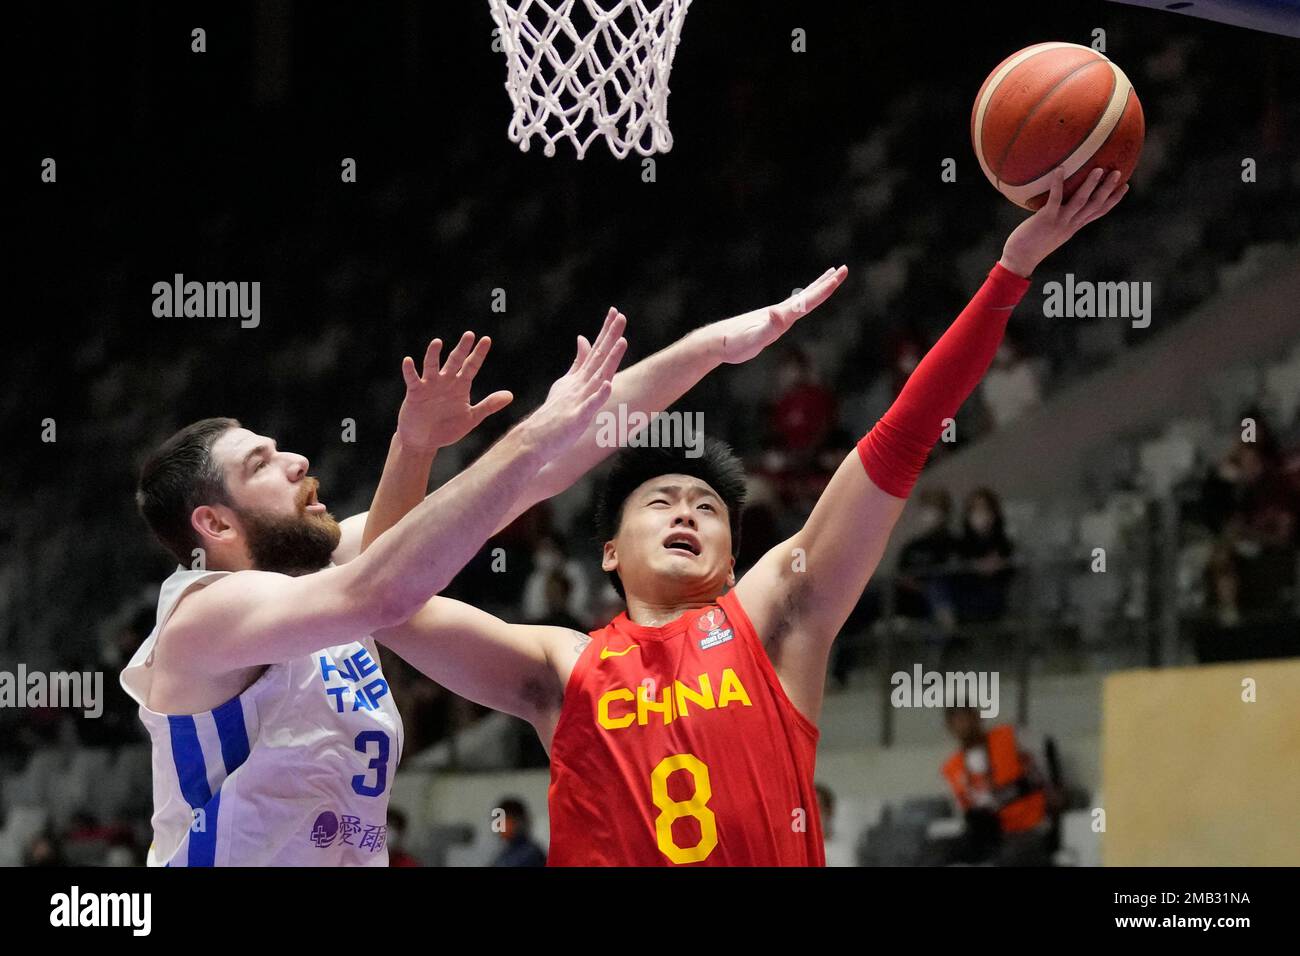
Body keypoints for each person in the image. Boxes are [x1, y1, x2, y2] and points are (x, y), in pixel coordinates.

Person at [365, 165, 1128, 866]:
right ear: (608, 553)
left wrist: (1012, 269)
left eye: (706, 507)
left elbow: (903, 434)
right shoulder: (560, 670)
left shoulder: (774, 617)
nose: (685, 512)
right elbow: (385, 601)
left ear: (733, 559)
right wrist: (413, 447)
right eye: (658, 501)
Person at [120, 321, 626, 866]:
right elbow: (385, 591)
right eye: (260, 464)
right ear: (215, 525)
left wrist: (704, 352)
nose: (297, 462)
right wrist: (446, 443)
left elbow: (533, 478)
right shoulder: (204, 614)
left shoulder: (326, 573)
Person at [941, 705, 1057, 866]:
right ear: (949, 727)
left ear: (978, 717)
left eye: (966, 718)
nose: (964, 725)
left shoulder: (1009, 736)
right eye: (957, 721)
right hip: (989, 838)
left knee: (1007, 858)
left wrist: (1053, 791)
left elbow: (1042, 767)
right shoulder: (952, 767)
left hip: (1029, 828)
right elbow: (963, 811)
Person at [490, 797, 547, 867]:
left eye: (502, 821)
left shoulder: (531, 854)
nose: (498, 826)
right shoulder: (507, 852)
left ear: (518, 822)